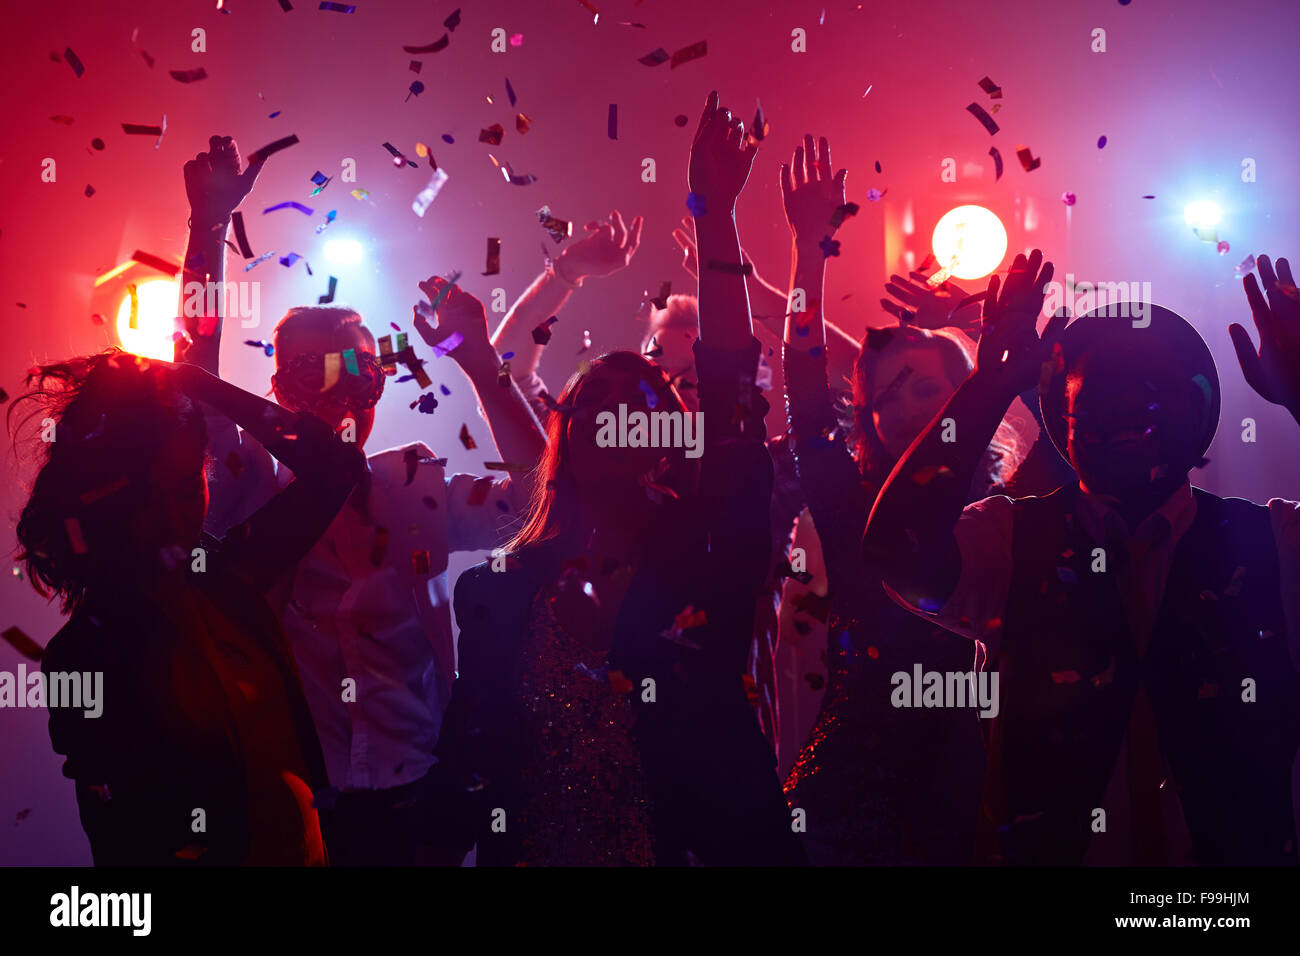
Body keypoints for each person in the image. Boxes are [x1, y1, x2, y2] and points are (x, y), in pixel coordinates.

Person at [433, 92, 805, 866]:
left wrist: (716, 215)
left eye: (636, 399)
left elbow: (733, 387)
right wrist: (487, 348)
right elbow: (476, 770)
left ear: (667, 435)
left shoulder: (711, 553)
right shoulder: (500, 592)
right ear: (562, 434)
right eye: (588, 399)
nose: (607, 412)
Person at [176, 135, 548, 864]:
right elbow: (194, 385)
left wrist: (475, 357)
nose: (351, 390)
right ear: (279, 390)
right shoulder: (250, 488)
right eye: (322, 372)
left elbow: (539, 498)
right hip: (299, 814)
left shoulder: (414, 489)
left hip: (423, 813)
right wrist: (209, 225)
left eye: (369, 371)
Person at [864, 249, 1300, 865]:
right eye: (1099, 404)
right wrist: (990, 383)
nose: (1125, 421)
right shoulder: (1009, 541)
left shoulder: (1275, 544)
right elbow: (898, 552)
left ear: (1199, 414)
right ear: (1063, 424)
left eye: (1147, 400)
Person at [12, 351, 364, 865]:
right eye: (153, 493)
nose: (177, 513)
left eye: (187, 485)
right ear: (114, 498)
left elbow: (336, 466)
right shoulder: (85, 654)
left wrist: (203, 384)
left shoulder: (226, 579)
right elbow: (123, 842)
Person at [776, 135, 1020, 864]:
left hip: (997, 794)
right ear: (870, 422)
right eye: (889, 394)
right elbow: (804, 395)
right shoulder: (850, 507)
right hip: (856, 806)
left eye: (928, 384)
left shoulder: (1017, 508)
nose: (911, 403)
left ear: (964, 393)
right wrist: (808, 252)